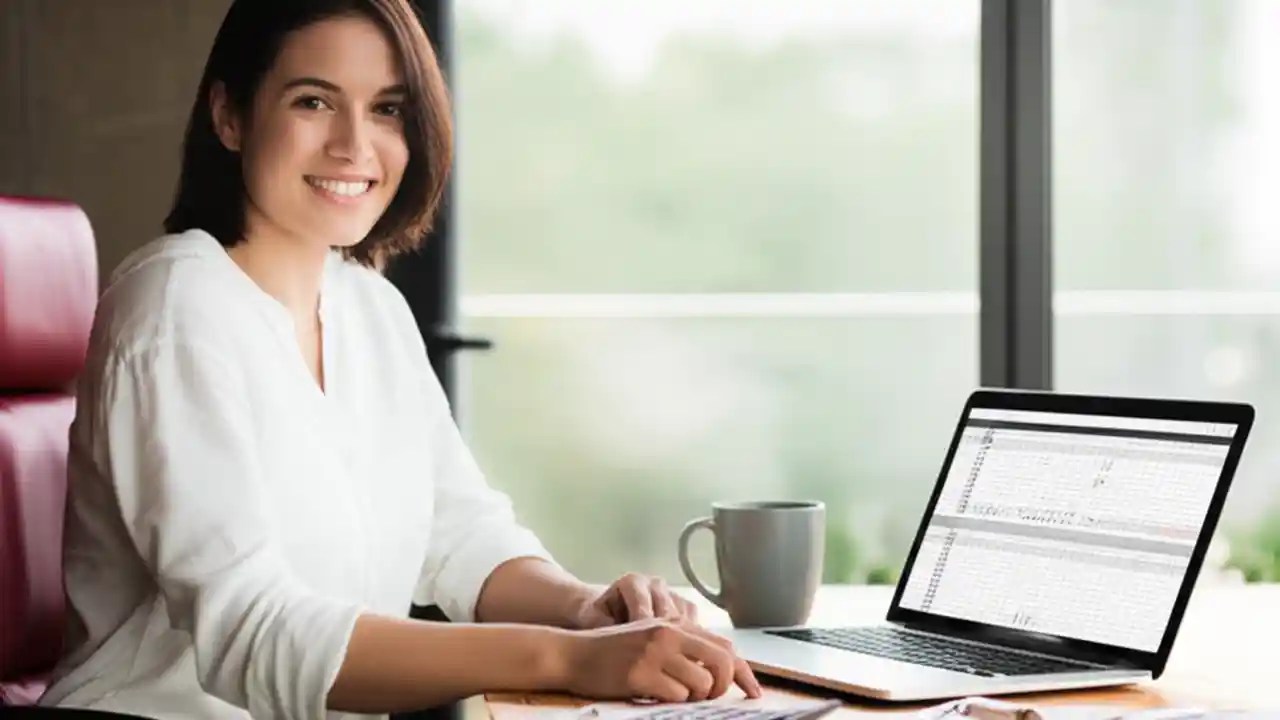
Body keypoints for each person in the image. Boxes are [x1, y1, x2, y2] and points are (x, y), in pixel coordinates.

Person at [38, 1, 762, 718]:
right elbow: (252, 632)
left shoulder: (369, 306)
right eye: (314, 101)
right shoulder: (176, 306)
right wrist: (568, 659)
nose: (355, 145)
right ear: (230, 115)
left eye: (388, 110)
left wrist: (588, 611)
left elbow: (460, 535)